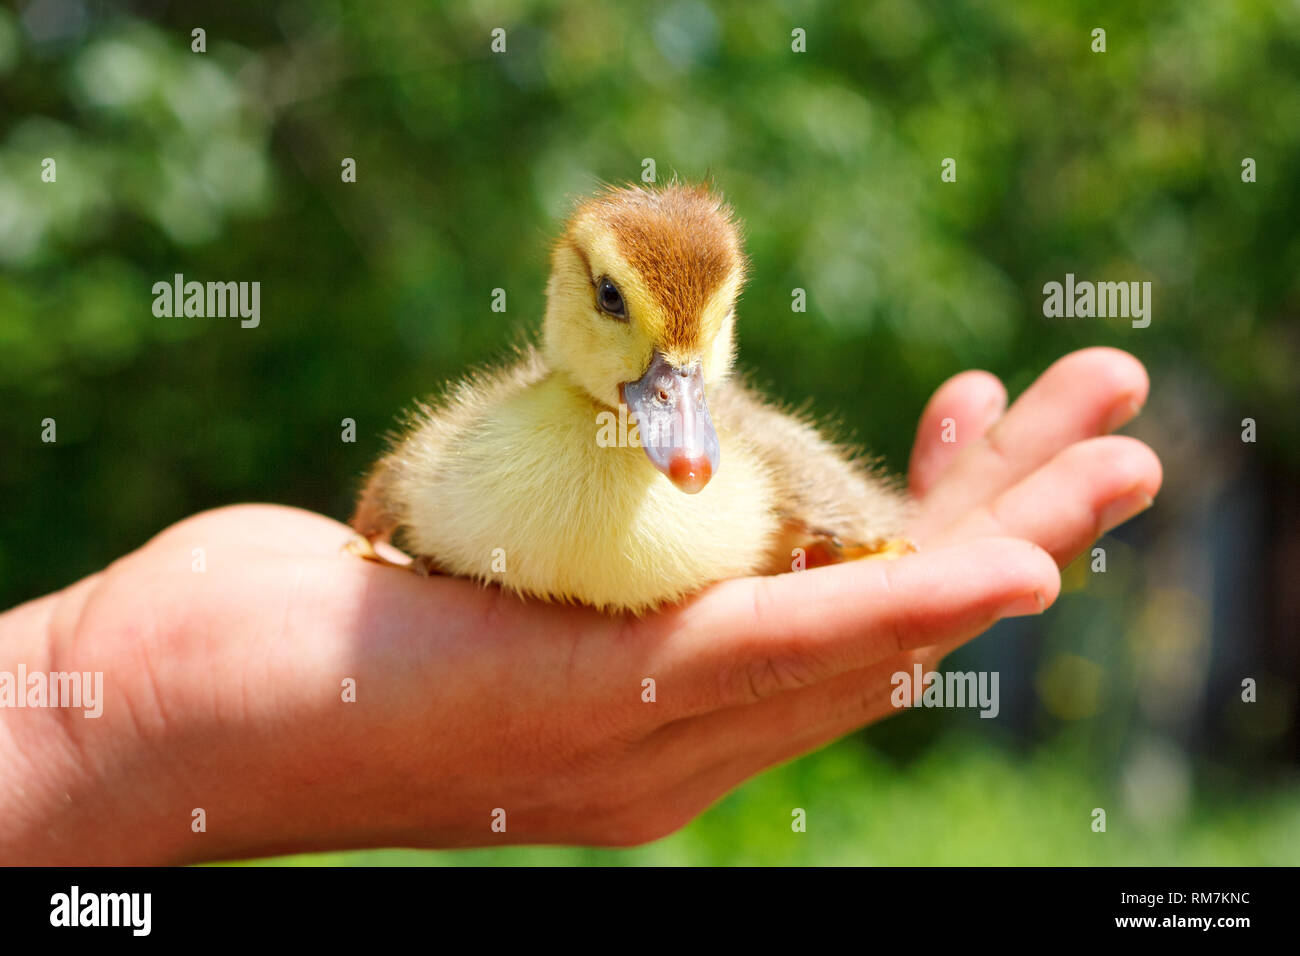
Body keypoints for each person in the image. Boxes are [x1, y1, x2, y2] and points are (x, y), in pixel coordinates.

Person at [0, 348, 1160, 864]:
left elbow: (760, 448)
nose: (672, 395)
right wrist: (91, 724)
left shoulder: (726, 441)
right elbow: (413, 474)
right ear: (569, 287)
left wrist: (855, 531)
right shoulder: (468, 465)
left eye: (692, 357)